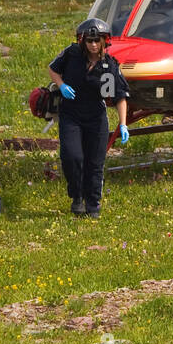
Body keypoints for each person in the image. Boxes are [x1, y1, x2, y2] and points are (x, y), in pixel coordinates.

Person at [48, 18, 130, 217]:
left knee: (95, 162)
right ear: (82, 41)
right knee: (72, 157)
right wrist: (61, 85)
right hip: (71, 114)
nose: (93, 45)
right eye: (89, 41)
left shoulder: (109, 66)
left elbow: (119, 97)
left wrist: (123, 124)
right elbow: (53, 69)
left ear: (104, 42)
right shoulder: (71, 55)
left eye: (97, 41)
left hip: (96, 117)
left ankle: (93, 204)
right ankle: (77, 197)